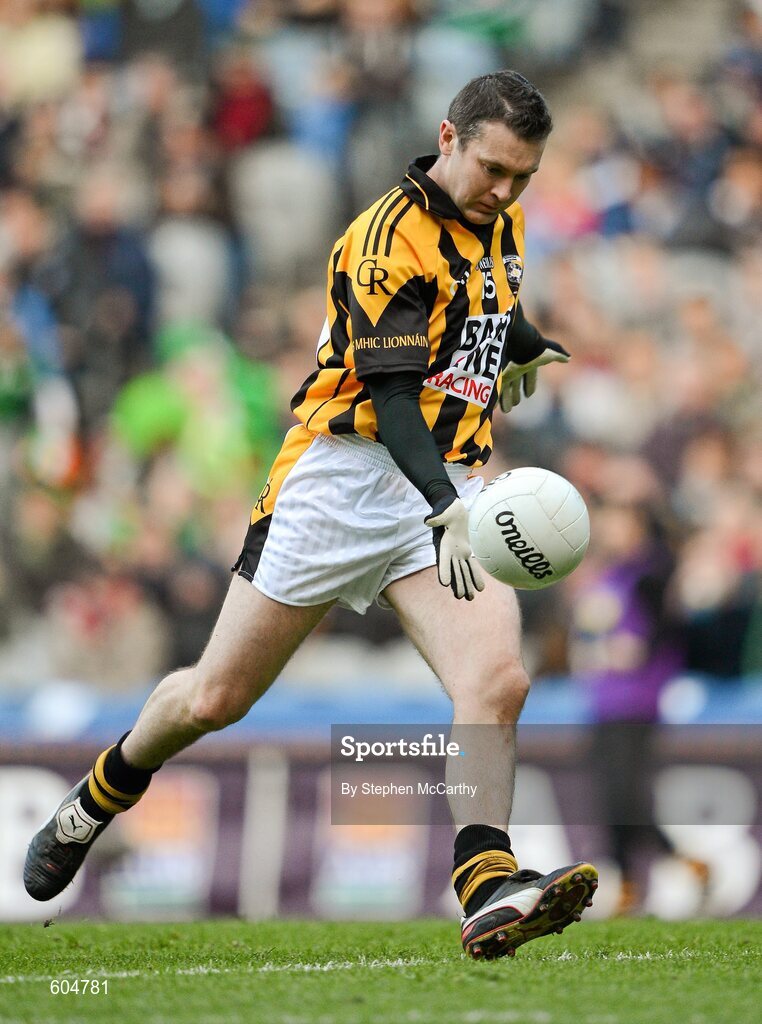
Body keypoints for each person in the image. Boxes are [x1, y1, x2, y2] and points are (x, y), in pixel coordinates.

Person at [25, 71, 598, 960]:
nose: (505, 190)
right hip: (341, 483)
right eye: (493, 169)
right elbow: (393, 397)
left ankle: (486, 883)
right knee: (215, 697)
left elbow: (490, 299)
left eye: (523, 176)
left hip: (442, 485)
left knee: (498, 679)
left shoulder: (501, 219)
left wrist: (525, 345)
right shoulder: (383, 241)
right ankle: (100, 793)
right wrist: (447, 506)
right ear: (448, 138)